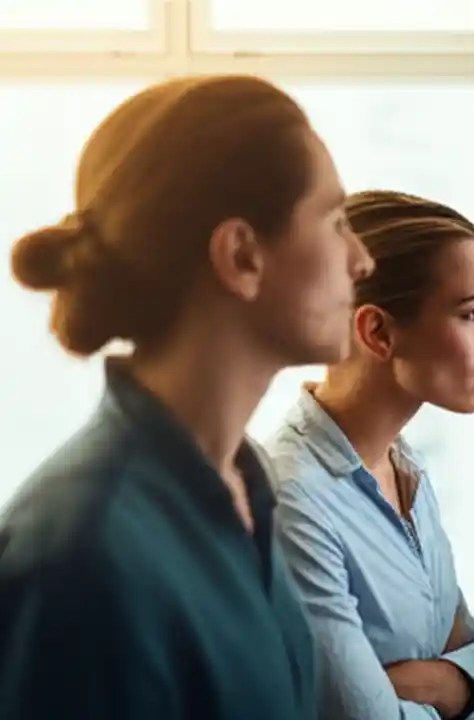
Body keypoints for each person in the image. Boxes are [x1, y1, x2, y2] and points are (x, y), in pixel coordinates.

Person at [0, 75, 374, 719]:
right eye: (336, 221)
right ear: (241, 254)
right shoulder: (83, 556)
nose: (362, 259)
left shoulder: (248, 489)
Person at [267, 190, 474, 720]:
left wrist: (451, 686)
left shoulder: (407, 468)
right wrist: (460, 690)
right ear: (377, 331)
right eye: (472, 312)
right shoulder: (294, 499)